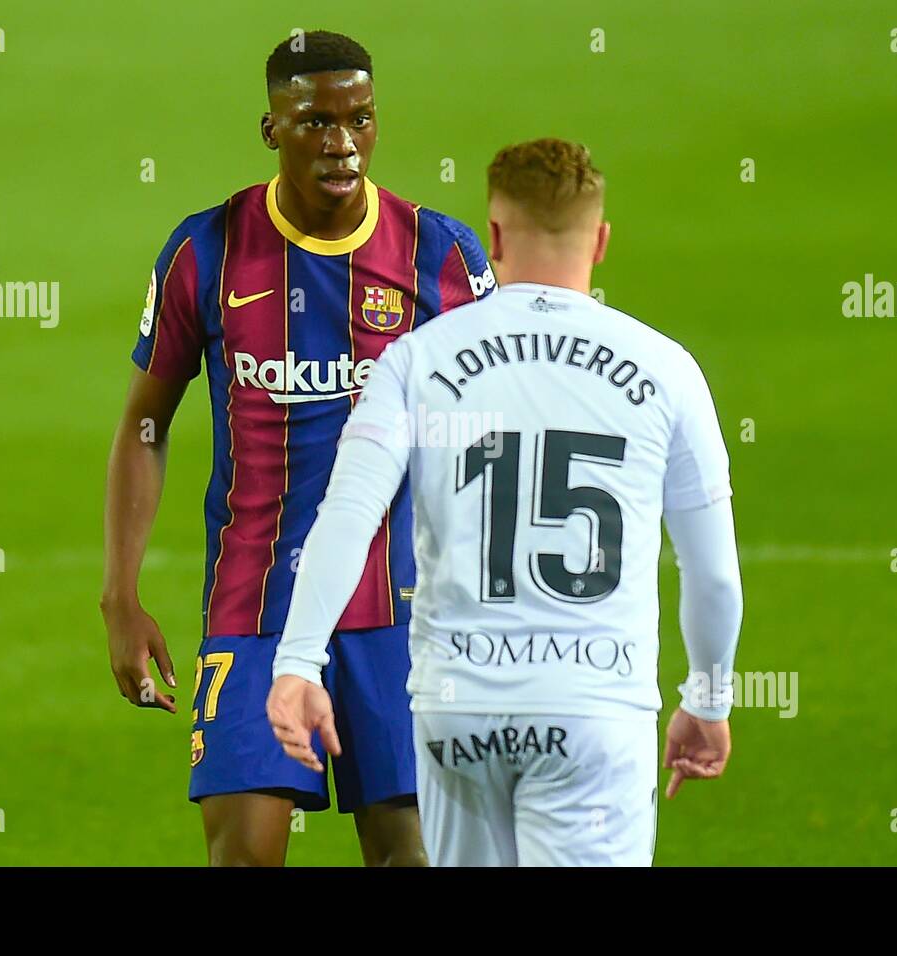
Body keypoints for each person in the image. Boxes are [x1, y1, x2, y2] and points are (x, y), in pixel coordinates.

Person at [267, 138, 743, 866]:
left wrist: (297, 663)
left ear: (493, 234)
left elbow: (348, 514)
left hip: (458, 711)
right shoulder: (666, 369)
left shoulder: (416, 358)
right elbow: (712, 576)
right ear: (602, 241)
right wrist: (707, 701)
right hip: (592, 707)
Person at [101, 30, 495, 867]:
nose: (342, 143)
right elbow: (146, 424)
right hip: (253, 607)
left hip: (401, 611)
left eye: (360, 119)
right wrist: (120, 596)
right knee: (245, 856)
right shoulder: (206, 251)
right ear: (271, 128)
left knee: (413, 858)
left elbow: (495, 432)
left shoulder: (443, 255)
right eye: (316, 122)